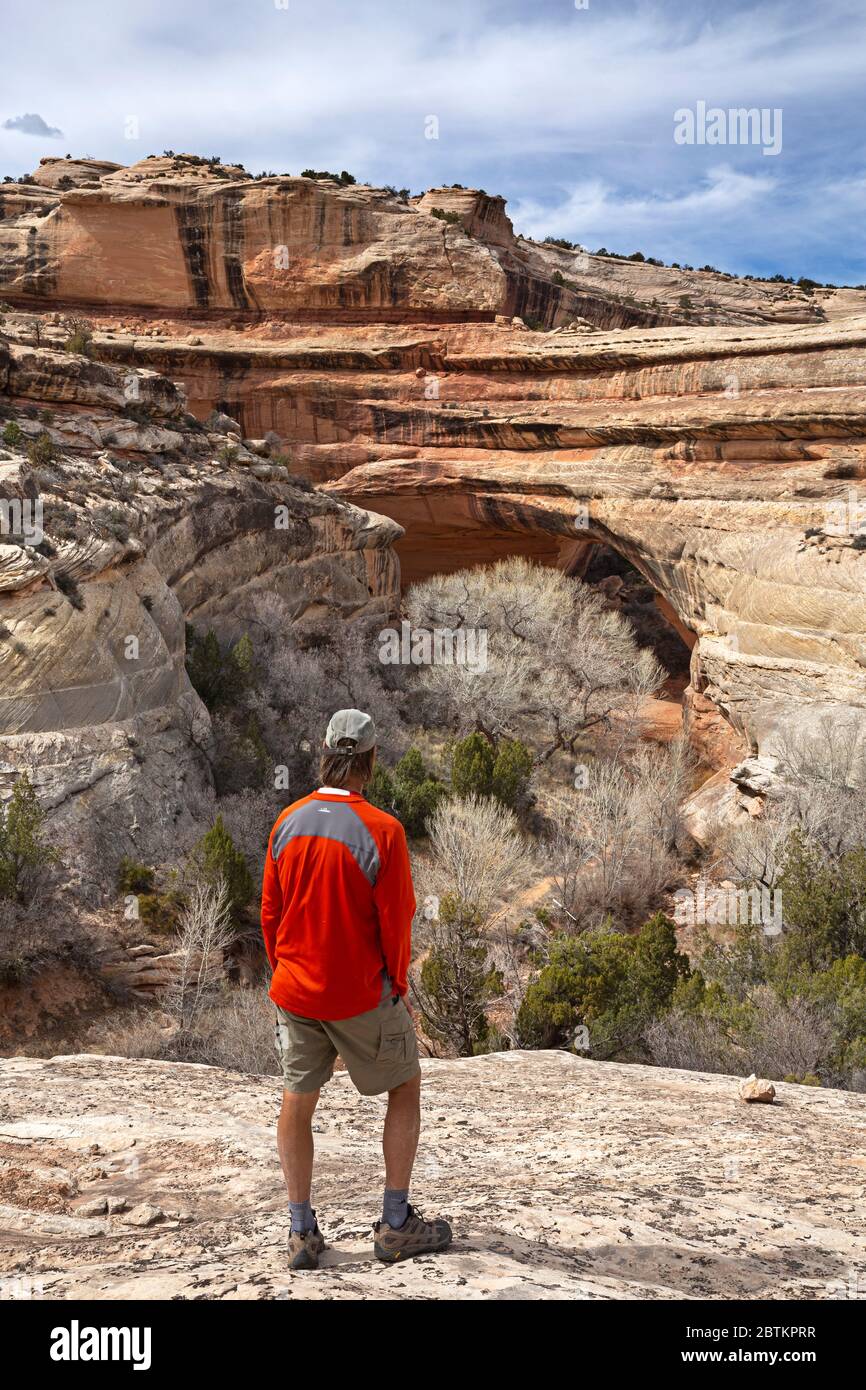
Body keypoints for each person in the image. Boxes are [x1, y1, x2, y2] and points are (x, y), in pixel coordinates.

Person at [260, 708, 453, 1270]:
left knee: (297, 1099)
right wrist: (397, 985)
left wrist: (286, 971)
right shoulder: (383, 831)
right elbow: (397, 920)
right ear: (371, 761)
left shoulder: (287, 822)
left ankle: (301, 1231)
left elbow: (270, 913)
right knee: (405, 1084)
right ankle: (395, 1223)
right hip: (359, 992)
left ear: (324, 754)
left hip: (296, 989)